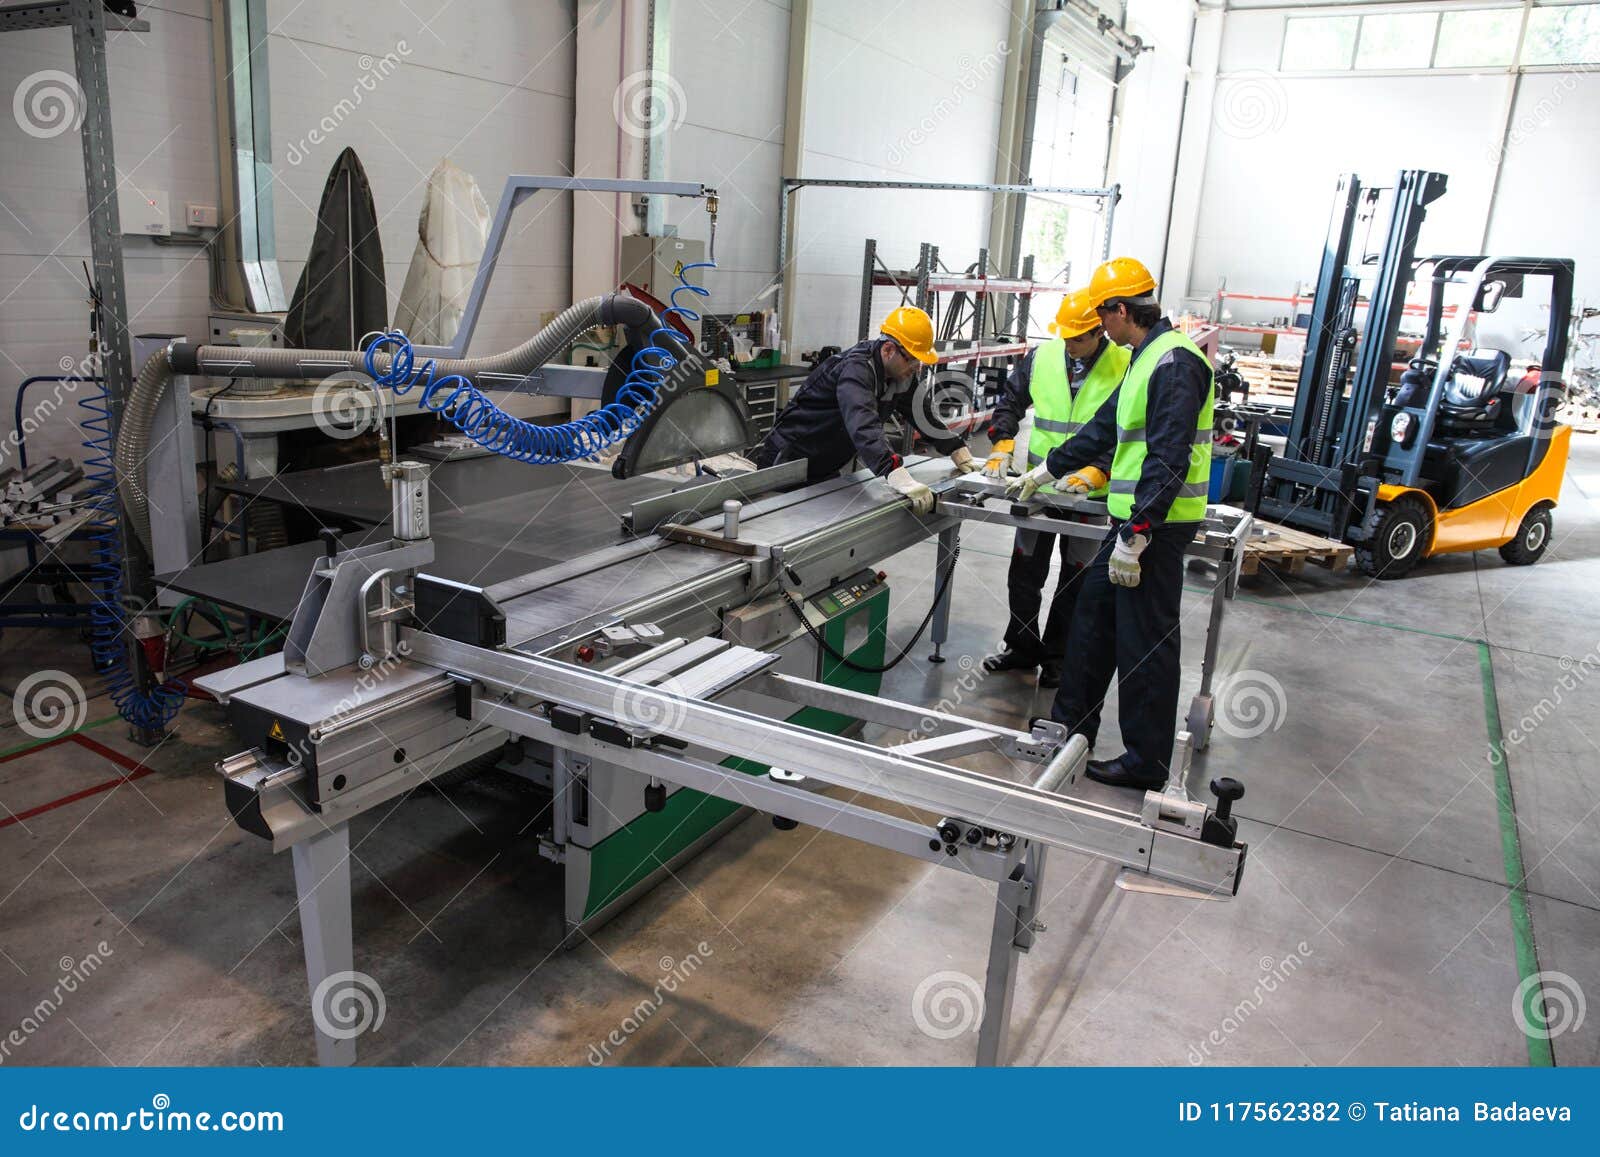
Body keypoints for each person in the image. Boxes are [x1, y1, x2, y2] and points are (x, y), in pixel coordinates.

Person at [1007, 257, 1214, 791]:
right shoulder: (1145, 359)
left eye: (1103, 313)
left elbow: (1168, 457)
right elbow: (1104, 429)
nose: (1100, 325)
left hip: (1154, 532)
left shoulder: (1173, 364)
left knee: (1145, 643)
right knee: (1092, 623)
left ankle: (1146, 760)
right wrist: (1047, 469)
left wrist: (1139, 535)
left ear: (1122, 310)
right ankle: (1070, 727)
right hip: (1129, 525)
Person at [980, 289, 1129, 688]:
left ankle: (1060, 657)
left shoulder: (1125, 363)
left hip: (1090, 492)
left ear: (1100, 331)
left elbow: (1127, 428)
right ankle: (1022, 648)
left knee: (1077, 579)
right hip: (1039, 487)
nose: (1071, 346)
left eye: (1079, 339)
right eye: (1066, 338)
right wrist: (1002, 442)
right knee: (1025, 572)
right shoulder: (1043, 357)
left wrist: (1100, 470)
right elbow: (1011, 400)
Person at [752, 306, 978, 513]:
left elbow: (922, 414)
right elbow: (863, 423)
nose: (916, 367)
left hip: (823, 466)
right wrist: (895, 472)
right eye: (912, 360)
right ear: (889, 349)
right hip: (787, 467)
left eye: (920, 361)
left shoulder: (900, 375)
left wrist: (956, 449)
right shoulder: (856, 370)